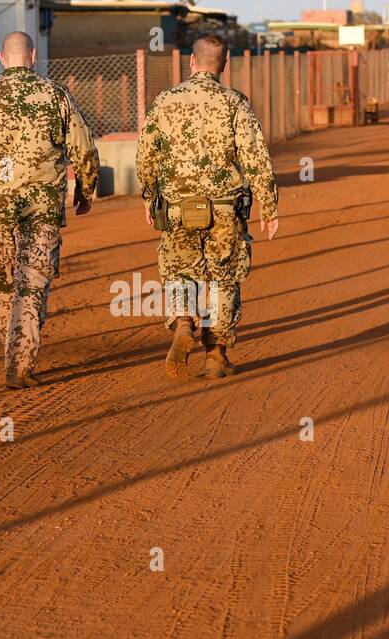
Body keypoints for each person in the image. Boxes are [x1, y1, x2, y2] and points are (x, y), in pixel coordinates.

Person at [0, 31, 98, 389]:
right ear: (32, 56)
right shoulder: (56, 95)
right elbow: (84, 151)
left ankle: (11, 345)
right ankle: (19, 362)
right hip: (40, 211)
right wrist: (84, 192)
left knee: (4, 284)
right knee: (31, 285)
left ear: (2, 58)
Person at [137, 32, 278, 380]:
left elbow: (146, 155)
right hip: (225, 209)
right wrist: (269, 205)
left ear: (191, 62)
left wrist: (148, 196)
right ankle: (216, 355)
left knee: (181, 270)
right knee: (224, 279)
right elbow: (256, 157)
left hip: (177, 206)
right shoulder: (235, 102)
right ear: (224, 65)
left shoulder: (166, 100)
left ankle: (184, 323)